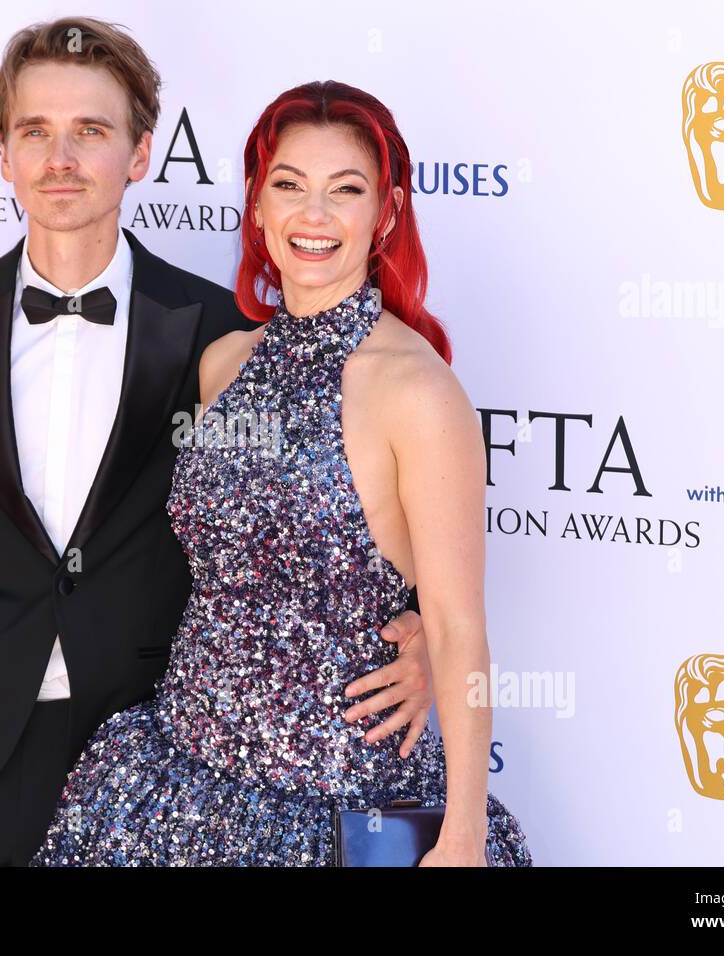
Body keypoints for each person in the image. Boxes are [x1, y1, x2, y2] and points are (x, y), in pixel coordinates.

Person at [0, 18, 438, 867]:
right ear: (3, 153)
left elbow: (329, 517)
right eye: (35, 132)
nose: (61, 159)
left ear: (141, 152)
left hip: (163, 771)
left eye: (91, 131)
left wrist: (416, 629)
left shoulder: (229, 339)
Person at [30, 80, 533, 867]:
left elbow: (459, 626)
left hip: (341, 812)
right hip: (178, 788)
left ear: (388, 213)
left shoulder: (418, 390)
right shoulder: (222, 365)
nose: (315, 215)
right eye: (289, 185)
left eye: (346, 190)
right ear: (257, 204)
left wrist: (462, 833)